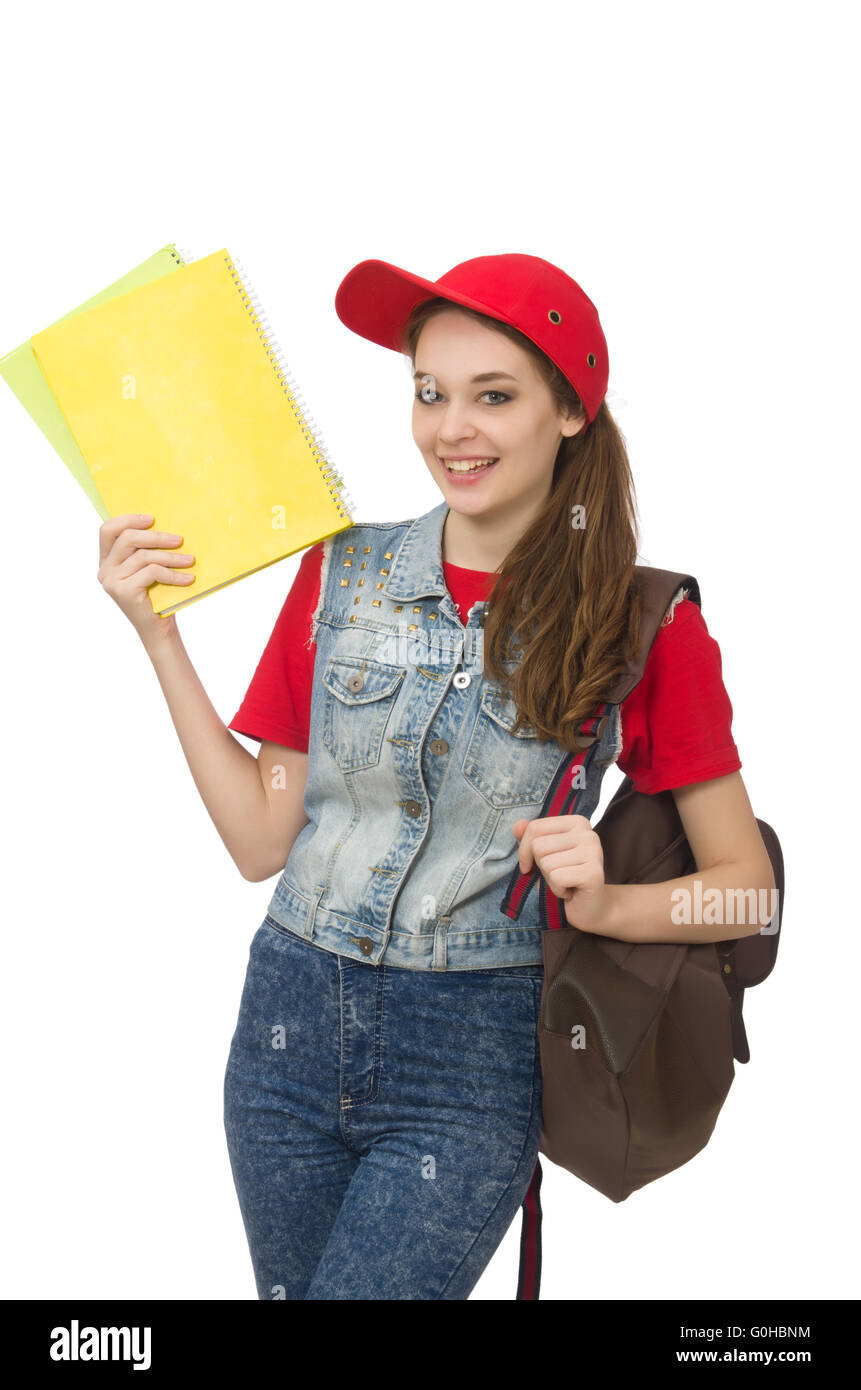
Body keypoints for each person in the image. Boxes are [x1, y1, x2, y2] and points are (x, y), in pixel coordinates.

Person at [96, 253, 774, 1300]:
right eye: (430, 393)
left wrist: (609, 899)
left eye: (493, 396)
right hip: (285, 1027)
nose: (451, 429)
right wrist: (159, 640)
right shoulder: (341, 572)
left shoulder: (644, 624)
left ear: (571, 410)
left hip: (467, 1060)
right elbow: (256, 841)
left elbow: (745, 889)